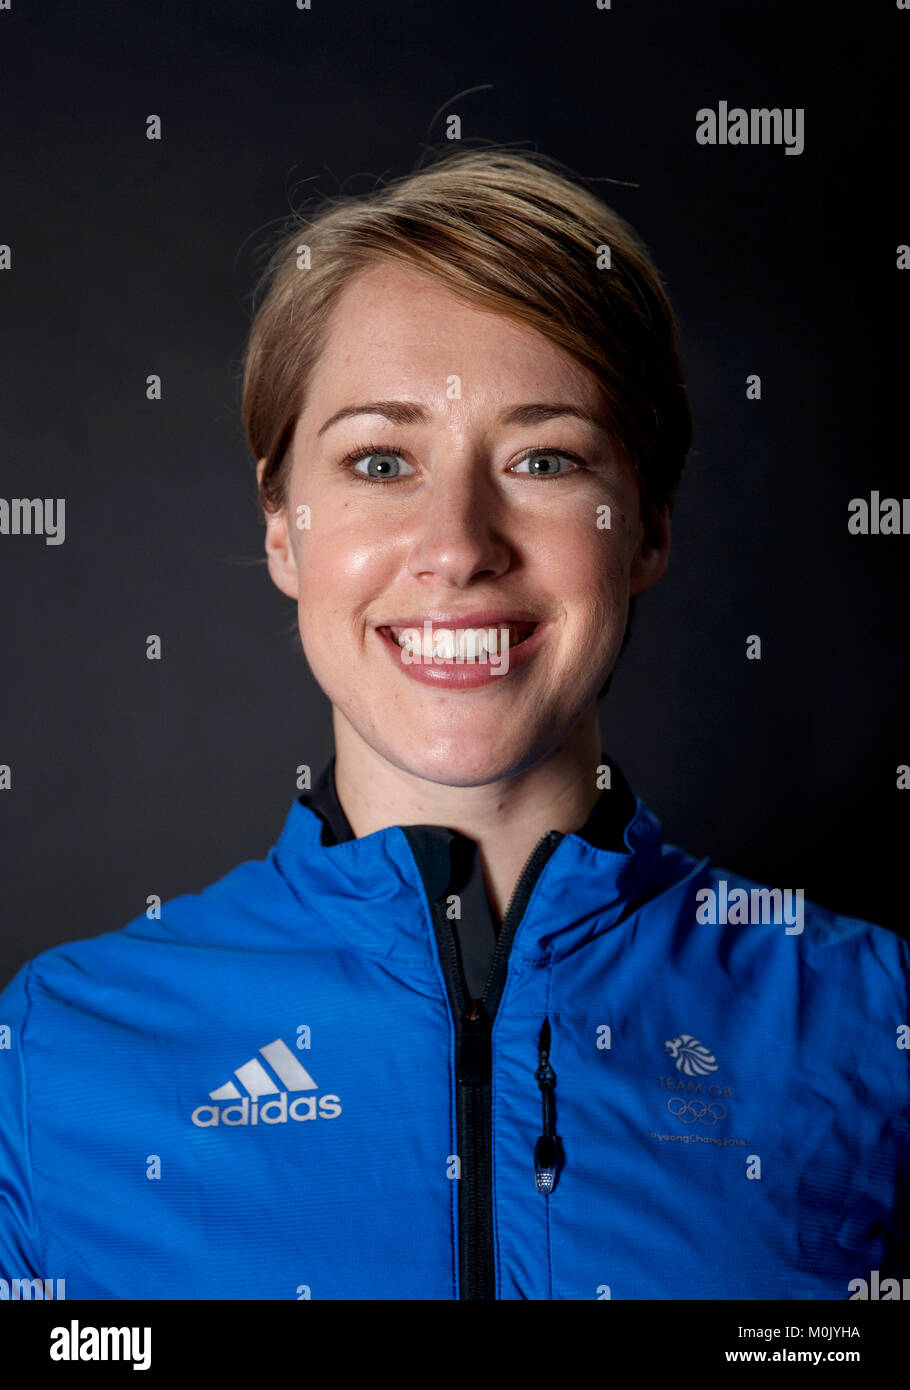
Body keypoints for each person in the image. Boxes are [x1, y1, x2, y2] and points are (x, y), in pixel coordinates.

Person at [0, 146, 907, 1302]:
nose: (458, 544)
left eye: (542, 457)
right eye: (381, 460)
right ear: (283, 527)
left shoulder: (875, 1024)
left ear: (645, 527)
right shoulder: (53, 1057)